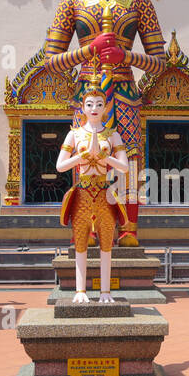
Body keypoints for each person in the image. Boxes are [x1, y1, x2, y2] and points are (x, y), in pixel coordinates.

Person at [55, 79, 129, 303]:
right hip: (83, 192)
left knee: (107, 242)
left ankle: (105, 291)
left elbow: (124, 167)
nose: (94, 109)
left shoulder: (112, 135)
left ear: (106, 107)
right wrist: (81, 157)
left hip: (105, 193)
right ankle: (80, 291)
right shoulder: (74, 134)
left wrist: (107, 158)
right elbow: (60, 166)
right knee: (81, 241)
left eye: (98, 104)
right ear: (82, 107)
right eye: (89, 104)